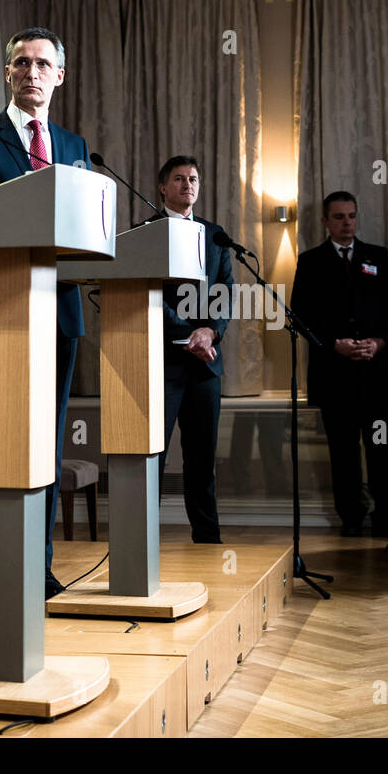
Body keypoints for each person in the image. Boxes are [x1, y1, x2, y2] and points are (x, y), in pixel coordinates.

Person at [0, 27, 88, 598]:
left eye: (42, 64)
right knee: (3, 441)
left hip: (59, 310)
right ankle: (4, 569)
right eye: (21, 63)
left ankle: (40, 565)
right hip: (0, 308)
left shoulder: (76, 146)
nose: (31, 72)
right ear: (8, 72)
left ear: (59, 76)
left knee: (47, 446)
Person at [291, 191, 388, 536]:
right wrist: (334, 345)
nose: (347, 223)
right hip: (335, 377)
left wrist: (379, 342)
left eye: (352, 216)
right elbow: (300, 316)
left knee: (382, 450)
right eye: (339, 217)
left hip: (377, 374)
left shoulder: (378, 256)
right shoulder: (311, 261)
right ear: (325, 221)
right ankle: (352, 519)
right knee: (343, 455)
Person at [151, 156, 234, 543]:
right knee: (153, 459)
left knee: (202, 460)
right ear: (163, 188)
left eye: (194, 179)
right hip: (163, 363)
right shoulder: (144, 234)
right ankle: (142, 541)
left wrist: (210, 332)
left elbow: (226, 292)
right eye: (180, 179)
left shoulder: (215, 234)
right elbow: (148, 294)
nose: (188, 185)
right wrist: (190, 335)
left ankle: (207, 538)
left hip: (206, 367)